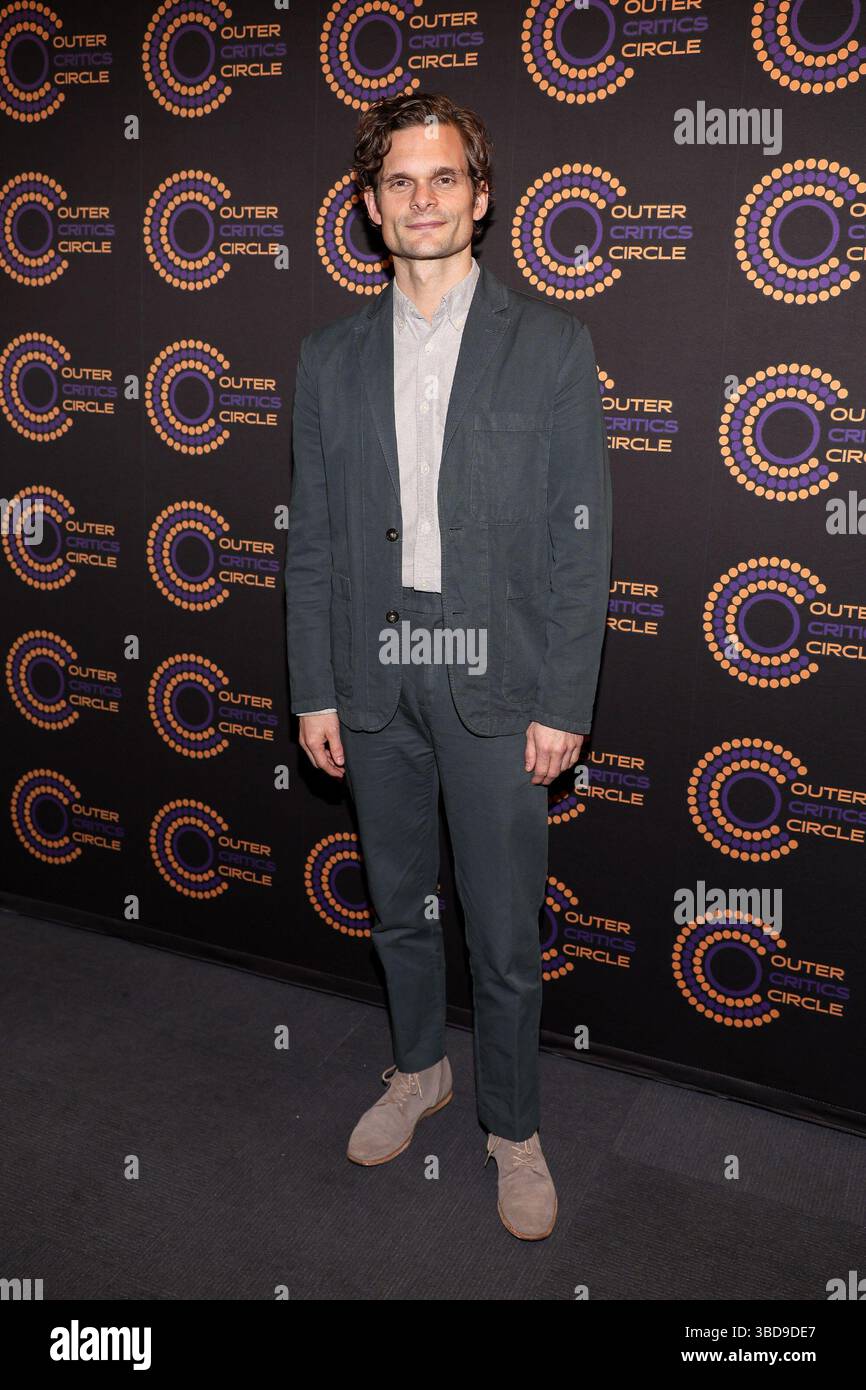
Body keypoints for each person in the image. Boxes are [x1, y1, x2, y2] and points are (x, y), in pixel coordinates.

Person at [285, 91, 612, 1240]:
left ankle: (510, 1126)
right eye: (397, 182)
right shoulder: (325, 359)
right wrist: (314, 685)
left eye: (443, 179)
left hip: (497, 673)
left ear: (479, 198)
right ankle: (417, 1068)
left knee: (505, 929)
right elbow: (316, 538)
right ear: (370, 208)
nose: (420, 200)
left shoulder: (552, 344)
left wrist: (563, 698)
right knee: (396, 904)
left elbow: (583, 537)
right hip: (374, 667)